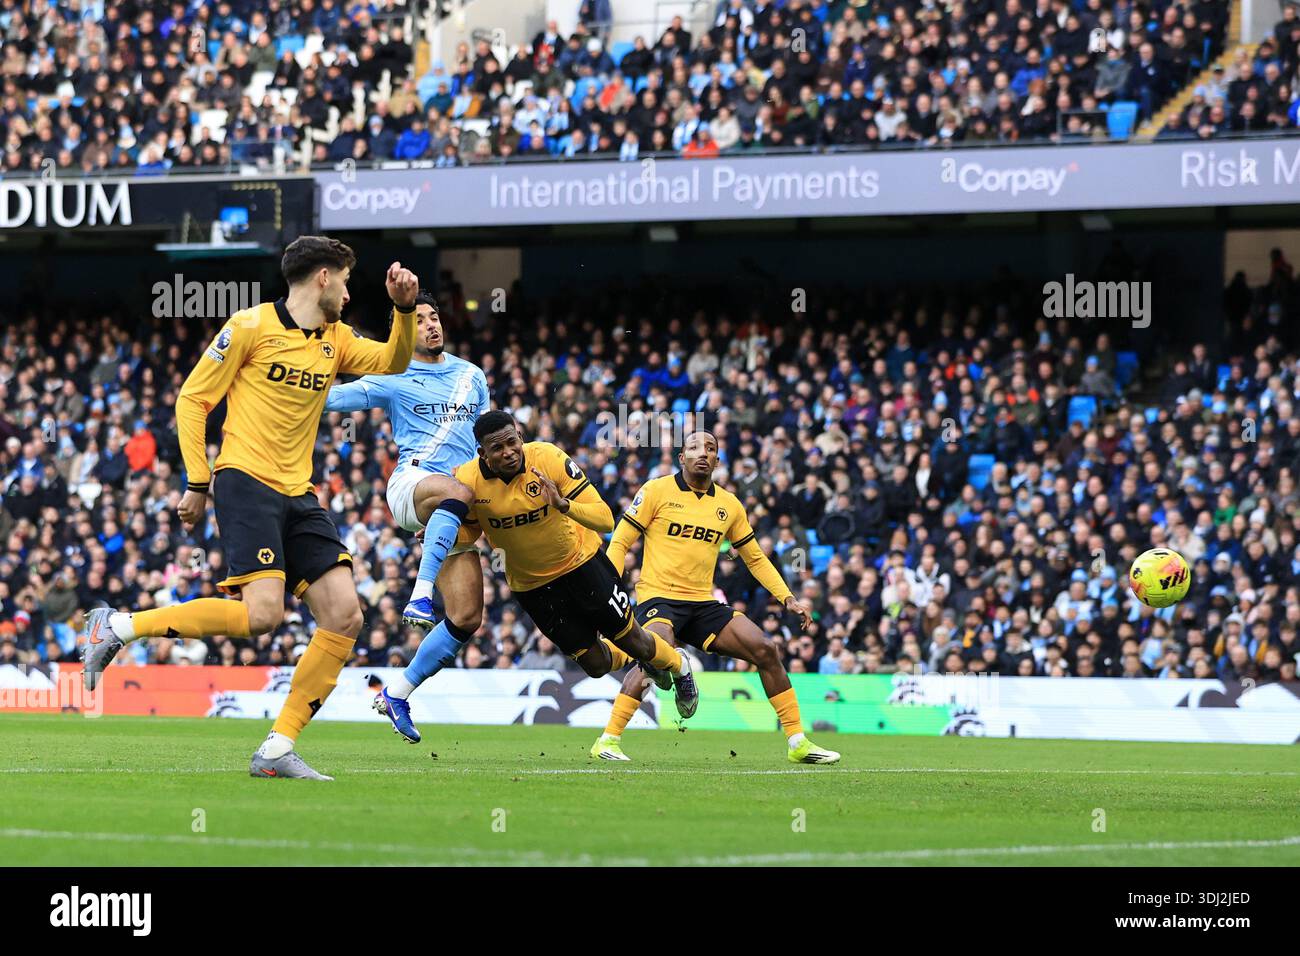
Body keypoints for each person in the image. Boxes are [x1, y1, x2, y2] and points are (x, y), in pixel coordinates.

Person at [80, 236, 418, 780]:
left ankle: (277, 748)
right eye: (348, 281)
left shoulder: (336, 339)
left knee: (345, 615)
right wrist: (196, 480)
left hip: (298, 492)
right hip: (244, 481)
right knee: (263, 617)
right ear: (323, 278)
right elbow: (193, 399)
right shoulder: (250, 327)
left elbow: (393, 361)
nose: (352, 293)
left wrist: (403, 309)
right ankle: (119, 626)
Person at [386, 410, 698, 744]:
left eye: (512, 441)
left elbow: (605, 519)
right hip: (533, 588)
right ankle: (650, 660)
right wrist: (441, 533)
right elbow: (469, 528)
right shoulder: (466, 481)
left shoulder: (548, 458)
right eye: (497, 448)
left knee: (633, 638)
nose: (508, 451)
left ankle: (680, 667)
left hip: (582, 565)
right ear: (482, 454)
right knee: (594, 664)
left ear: (520, 437)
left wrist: (565, 506)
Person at [591, 431, 840, 765]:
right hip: (658, 598)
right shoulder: (655, 491)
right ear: (682, 457)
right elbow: (620, 542)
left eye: (710, 448)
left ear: (718, 460)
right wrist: (611, 588)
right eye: (694, 448)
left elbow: (753, 557)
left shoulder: (728, 504)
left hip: (702, 603)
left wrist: (787, 598)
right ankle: (609, 739)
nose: (702, 453)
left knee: (766, 649)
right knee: (654, 653)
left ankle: (797, 741)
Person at [323, 291, 489, 743]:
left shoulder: (472, 376)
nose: (432, 324)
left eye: (435, 317)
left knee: (467, 617)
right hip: (414, 486)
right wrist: (281, 387)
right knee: (456, 490)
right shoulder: (392, 373)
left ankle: (397, 693)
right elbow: (333, 401)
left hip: (457, 509)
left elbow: (487, 440)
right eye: (420, 320)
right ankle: (419, 595)